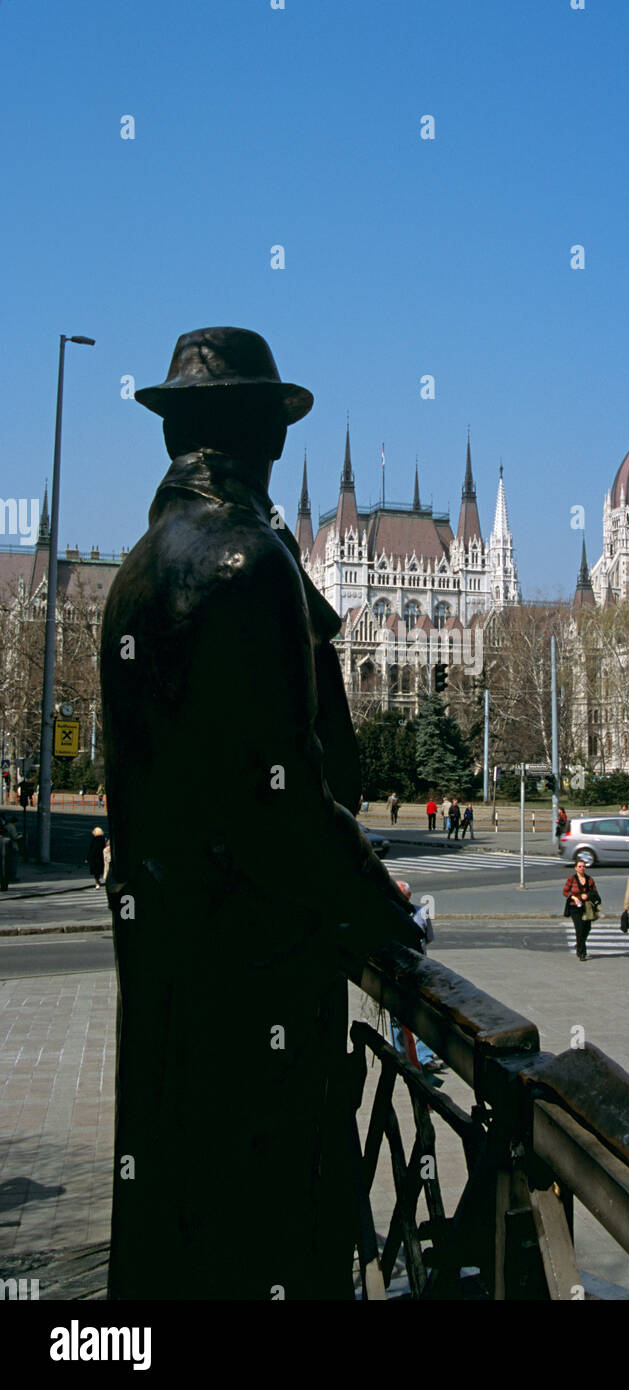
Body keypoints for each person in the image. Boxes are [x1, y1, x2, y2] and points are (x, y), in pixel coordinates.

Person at [100, 326, 419, 1300]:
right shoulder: (246, 563)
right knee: (266, 1240)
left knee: (173, 1233)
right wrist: (383, 911)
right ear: (255, 434)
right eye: (271, 423)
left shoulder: (140, 566)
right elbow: (284, 795)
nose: (281, 446)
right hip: (255, 994)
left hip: (169, 983)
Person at [389, 882, 445, 1074]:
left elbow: (427, 938)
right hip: (395, 969)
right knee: (397, 1016)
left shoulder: (421, 913)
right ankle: (400, 1054)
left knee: (422, 1013)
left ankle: (424, 1056)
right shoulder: (388, 913)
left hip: (418, 969)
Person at [563, 859, 601, 961]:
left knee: (587, 928)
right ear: (575, 868)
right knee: (579, 928)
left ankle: (579, 943)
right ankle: (582, 953)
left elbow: (595, 892)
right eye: (579, 866)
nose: (582, 868)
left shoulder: (589, 879)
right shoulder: (571, 879)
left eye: (583, 866)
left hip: (587, 907)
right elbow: (565, 891)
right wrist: (573, 897)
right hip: (574, 907)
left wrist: (587, 895)